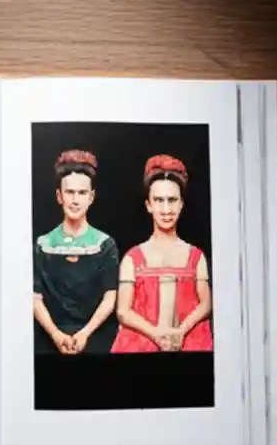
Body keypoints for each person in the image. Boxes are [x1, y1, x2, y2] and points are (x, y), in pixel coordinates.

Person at [111, 154, 213, 352]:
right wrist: (156, 334)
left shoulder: (195, 256)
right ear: (149, 205)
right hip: (141, 346)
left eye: (172, 200)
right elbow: (123, 311)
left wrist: (180, 331)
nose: (166, 209)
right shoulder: (133, 258)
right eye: (159, 200)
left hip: (190, 344)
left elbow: (206, 303)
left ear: (181, 204)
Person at [32, 150, 120, 354]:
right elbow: (35, 297)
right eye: (70, 192)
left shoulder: (105, 244)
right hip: (48, 341)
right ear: (59, 196)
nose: (75, 200)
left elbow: (110, 296)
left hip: (95, 339)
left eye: (82, 193)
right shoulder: (43, 244)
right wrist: (55, 334)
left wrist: (85, 334)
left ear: (91, 197)